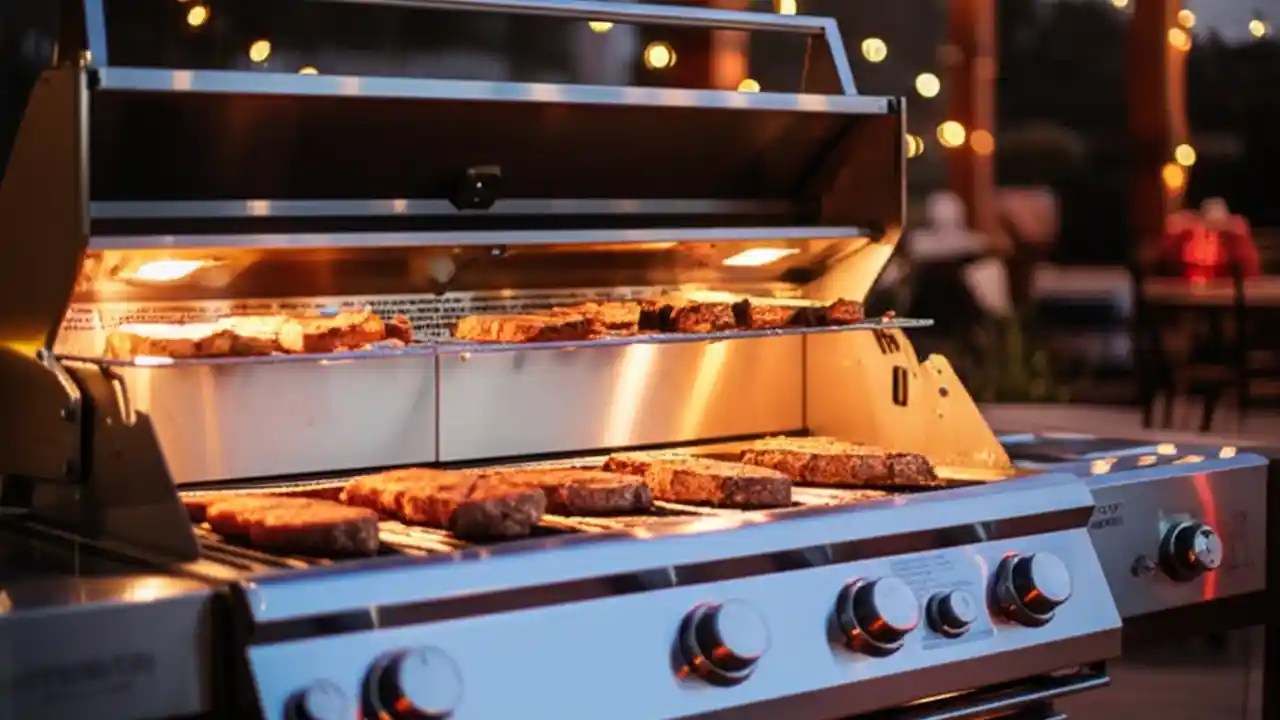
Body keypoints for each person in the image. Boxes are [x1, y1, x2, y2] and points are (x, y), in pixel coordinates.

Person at [1157, 197, 1259, 280]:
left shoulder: (1236, 243)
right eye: (1209, 232)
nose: (1212, 239)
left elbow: (1250, 272)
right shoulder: (1184, 238)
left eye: (1218, 233)